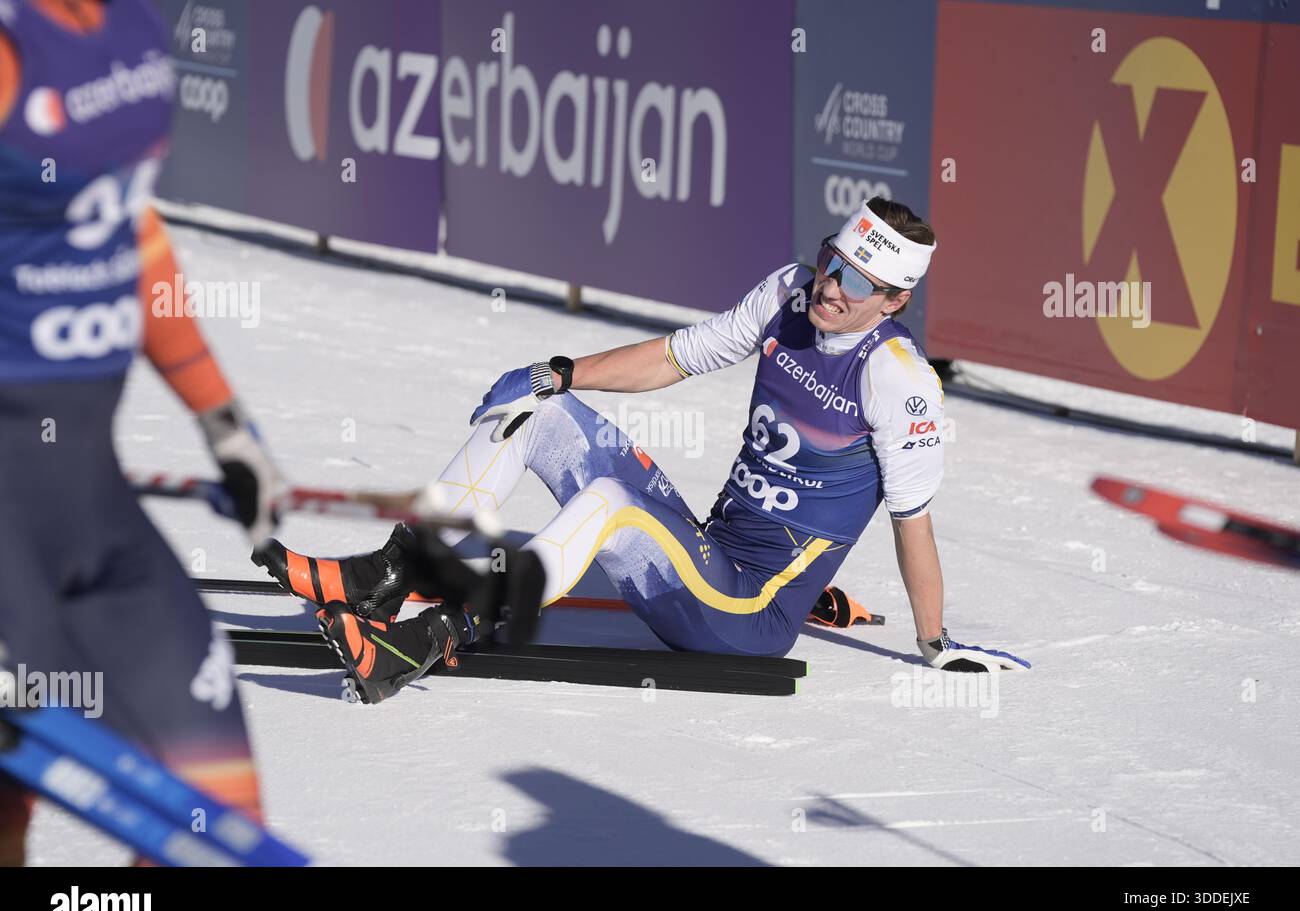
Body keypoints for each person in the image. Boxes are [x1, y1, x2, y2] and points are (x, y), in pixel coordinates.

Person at [255, 197, 1029, 704]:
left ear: (895, 301)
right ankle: (388, 575)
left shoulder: (900, 379)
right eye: (834, 261)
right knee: (538, 410)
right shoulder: (793, 292)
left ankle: (425, 643)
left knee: (612, 505)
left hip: (744, 613)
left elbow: (912, 521)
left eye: (859, 283)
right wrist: (560, 373)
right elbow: (677, 355)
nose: (832, 287)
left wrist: (934, 644)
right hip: (704, 555)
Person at [0, 0, 283, 864]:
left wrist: (221, 419)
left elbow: (131, 225)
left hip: (93, 505)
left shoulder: (134, 26)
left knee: (217, 826)